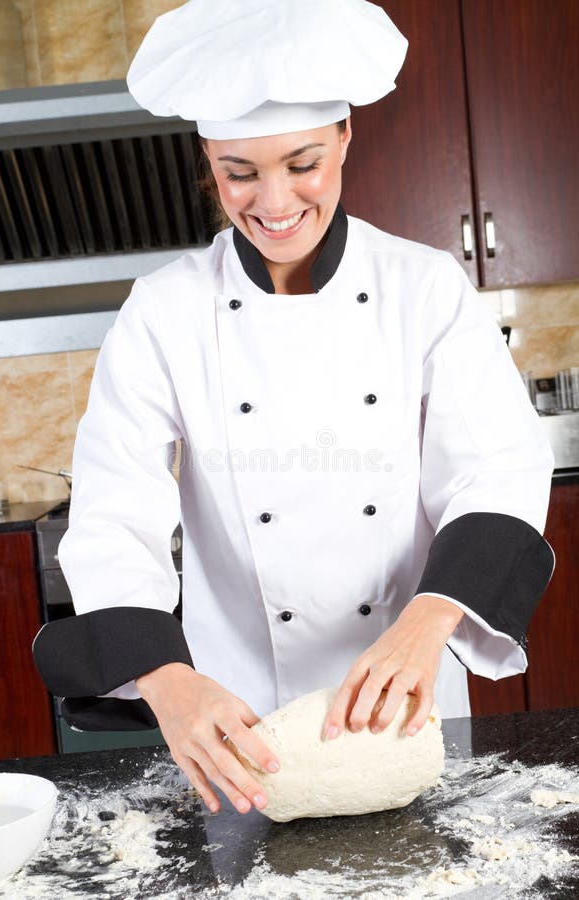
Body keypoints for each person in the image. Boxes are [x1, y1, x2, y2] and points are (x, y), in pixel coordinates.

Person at [34, 0, 554, 819]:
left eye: (303, 162)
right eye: (240, 172)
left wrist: (429, 620)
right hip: (236, 711)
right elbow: (112, 513)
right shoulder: (164, 311)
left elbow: (497, 467)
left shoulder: (423, 287)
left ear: (345, 137)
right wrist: (168, 683)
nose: (274, 202)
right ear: (208, 159)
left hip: (405, 685)